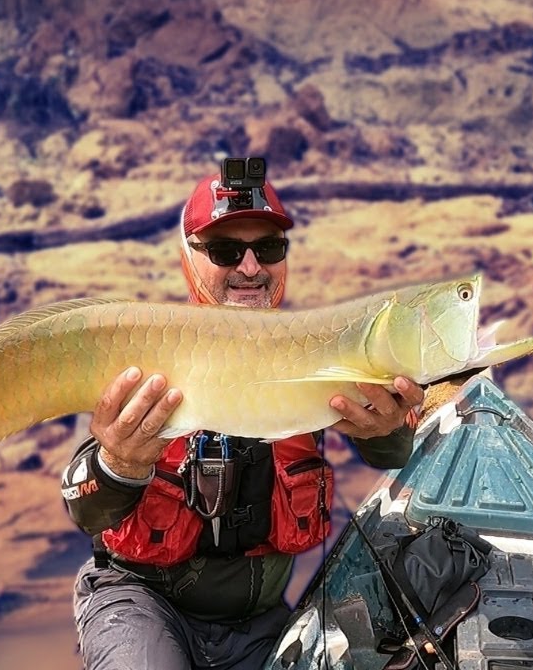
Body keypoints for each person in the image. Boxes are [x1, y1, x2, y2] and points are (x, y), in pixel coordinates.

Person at [60, 171, 424, 669]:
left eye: (269, 248)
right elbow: (86, 507)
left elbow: (395, 449)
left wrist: (385, 432)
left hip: (258, 622)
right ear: (189, 259)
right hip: (141, 606)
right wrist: (118, 463)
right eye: (226, 251)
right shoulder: (147, 352)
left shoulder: (317, 352)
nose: (251, 268)